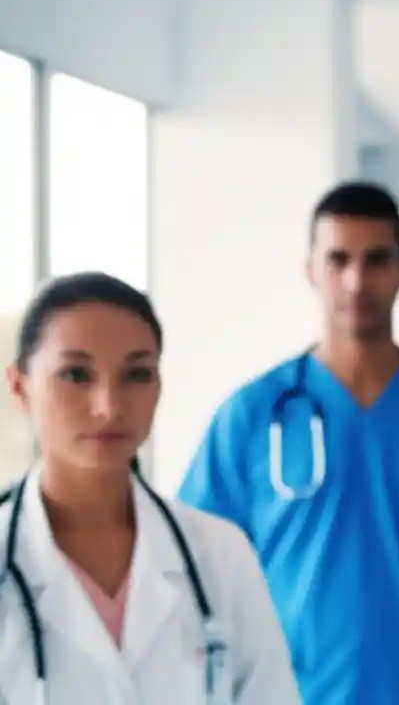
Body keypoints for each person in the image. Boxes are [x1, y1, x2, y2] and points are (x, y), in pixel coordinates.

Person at [178, 182, 399, 704]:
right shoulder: (252, 414)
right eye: (338, 259)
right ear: (311, 270)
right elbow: (202, 571)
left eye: (376, 260)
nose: (356, 279)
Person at [0, 272, 300, 704]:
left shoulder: (219, 555)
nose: (108, 405)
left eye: (136, 374)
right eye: (75, 374)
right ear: (19, 386)